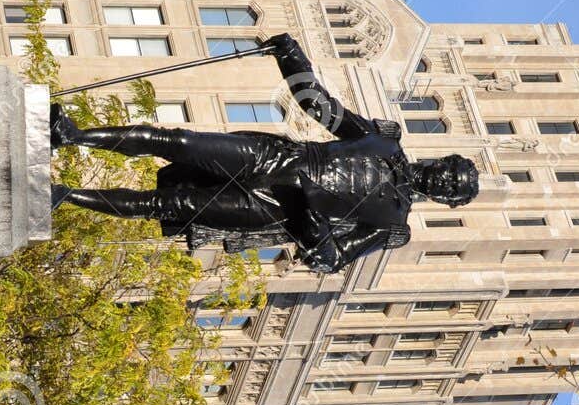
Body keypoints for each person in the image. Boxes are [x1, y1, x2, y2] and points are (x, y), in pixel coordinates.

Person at [51, 33, 479, 274]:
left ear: (442, 199)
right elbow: (320, 107)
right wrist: (291, 56)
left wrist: (310, 217)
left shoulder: (391, 225)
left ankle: (65, 195)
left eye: (447, 186)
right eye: (448, 170)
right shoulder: (384, 140)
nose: (441, 178)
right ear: (440, 160)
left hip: (271, 208)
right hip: (275, 158)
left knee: (168, 204)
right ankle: (72, 135)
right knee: (179, 141)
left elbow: (330, 260)